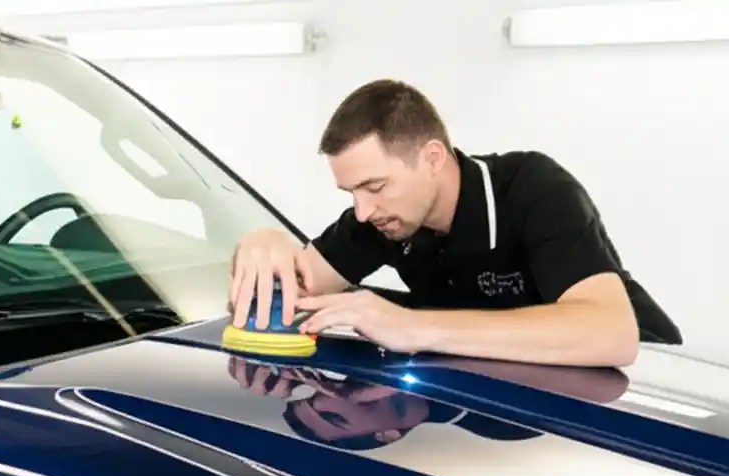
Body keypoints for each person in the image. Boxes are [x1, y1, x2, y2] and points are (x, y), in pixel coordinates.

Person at [227, 79, 681, 368]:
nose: (362, 211)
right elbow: (296, 285)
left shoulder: (535, 189)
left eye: (375, 186)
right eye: (352, 194)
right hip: (503, 398)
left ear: (432, 158)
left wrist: (413, 326)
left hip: (641, 385)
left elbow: (612, 335)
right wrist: (265, 242)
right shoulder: (383, 219)